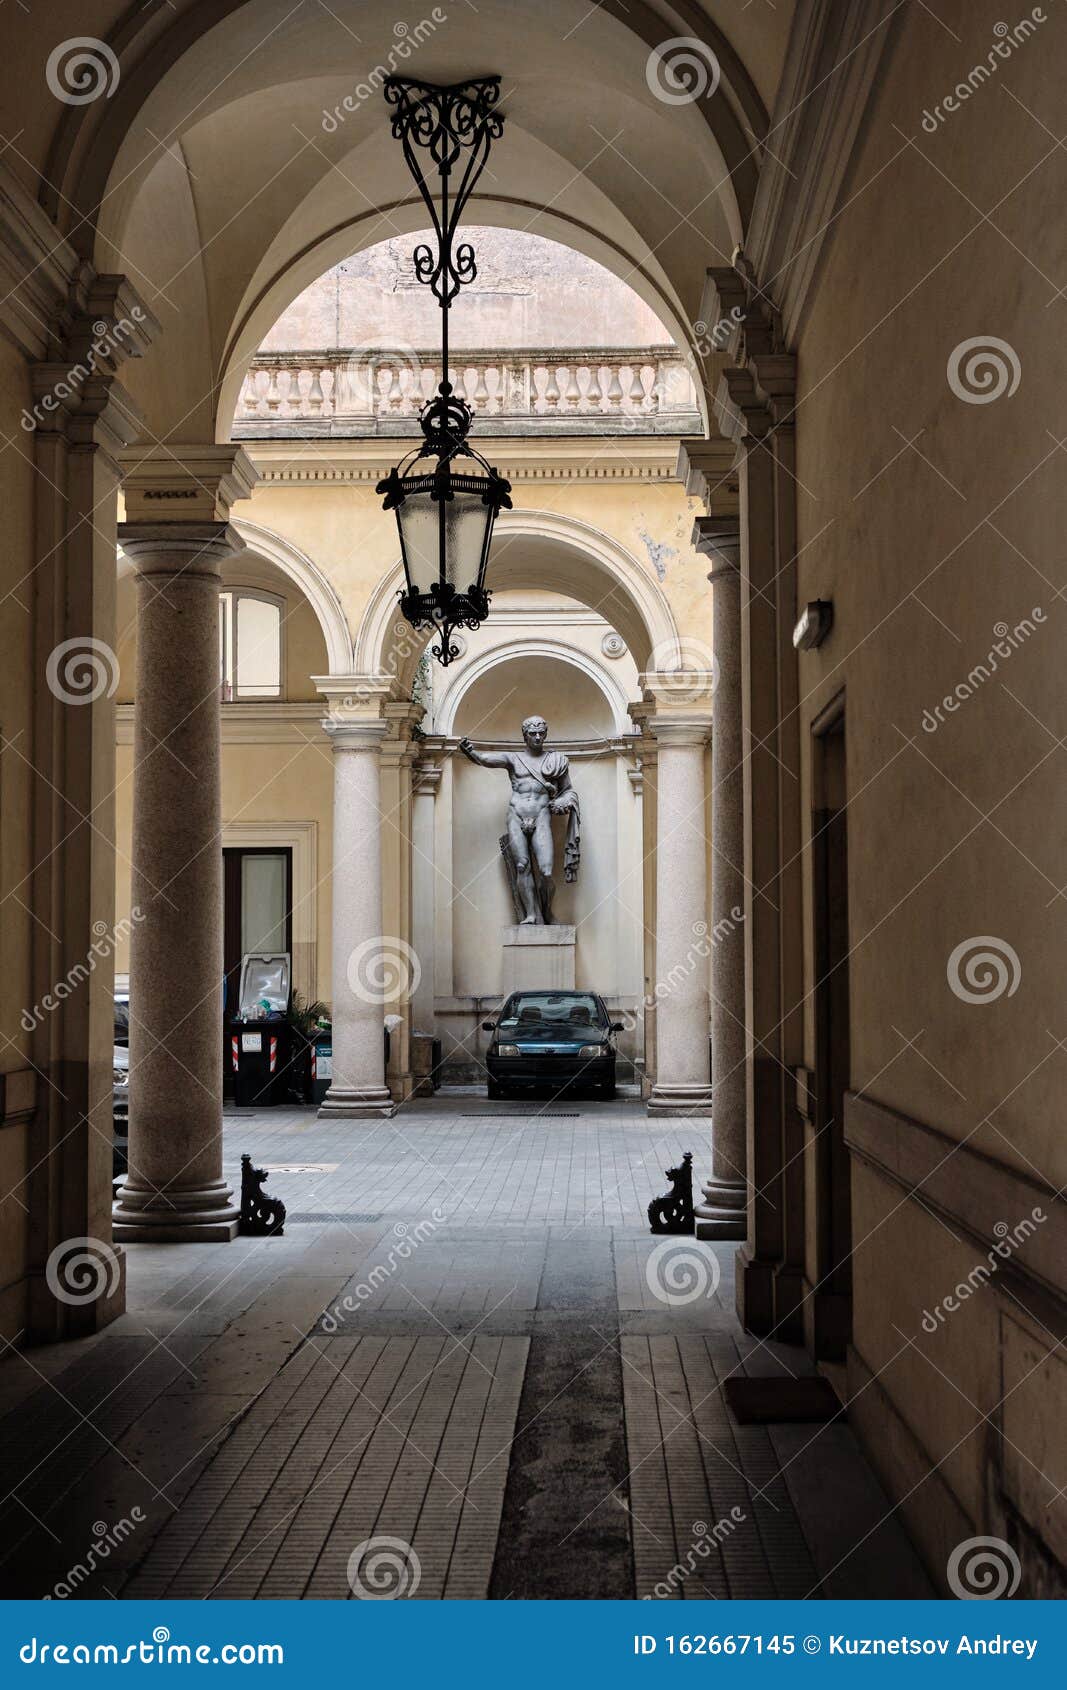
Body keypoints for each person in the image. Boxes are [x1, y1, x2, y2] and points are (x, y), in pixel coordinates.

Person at [459, 714, 580, 924]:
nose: (537, 737)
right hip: (516, 814)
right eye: (532, 733)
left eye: (541, 733)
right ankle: (531, 914)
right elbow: (486, 760)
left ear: (545, 735)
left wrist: (562, 802)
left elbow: (568, 791)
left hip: (541, 816)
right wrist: (471, 752)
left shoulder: (555, 762)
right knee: (522, 866)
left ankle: (546, 910)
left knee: (546, 870)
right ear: (525, 736)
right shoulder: (514, 759)